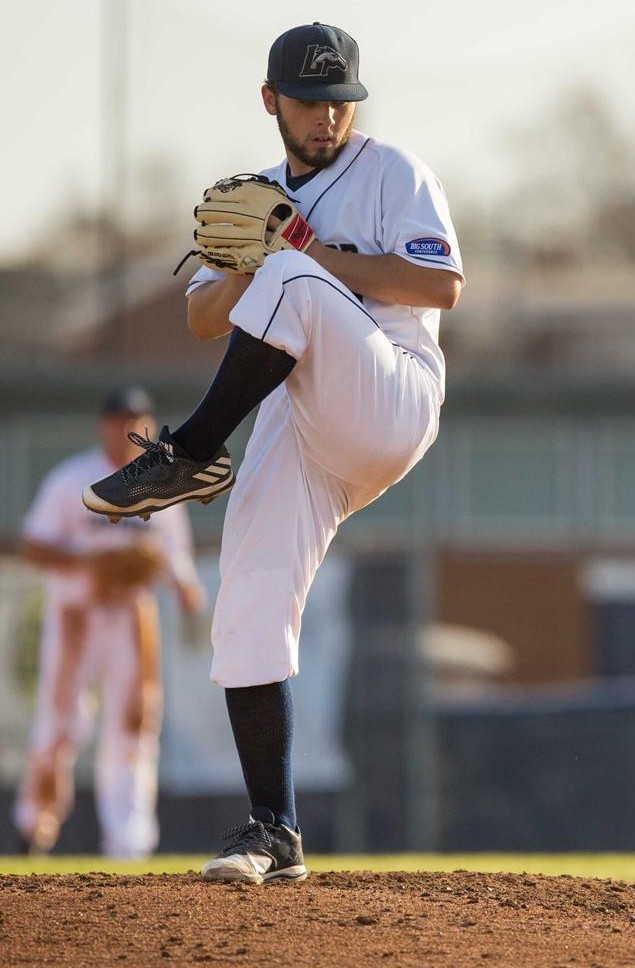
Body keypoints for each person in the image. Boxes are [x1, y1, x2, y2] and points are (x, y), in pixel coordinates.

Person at [82, 22, 460, 883]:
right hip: (306, 418)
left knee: (293, 273)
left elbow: (441, 285)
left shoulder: (395, 172)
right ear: (270, 101)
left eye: (339, 103)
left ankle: (190, 452)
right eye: (308, 101)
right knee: (246, 600)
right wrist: (257, 261)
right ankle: (273, 830)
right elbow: (201, 315)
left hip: (392, 390)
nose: (325, 118)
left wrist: (303, 254)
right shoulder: (253, 192)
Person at [15, 387, 204, 858]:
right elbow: (33, 547)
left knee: (132, 726)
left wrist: (184, 591)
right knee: (60, 722)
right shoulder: (72, 480)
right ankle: (33, 825)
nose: (131, 427)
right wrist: (87, 564)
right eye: (122, 419)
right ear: (104, 425)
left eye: (139, 419)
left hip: (130, 619)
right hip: (76, 615)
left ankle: (129, 843)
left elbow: (172, 556)